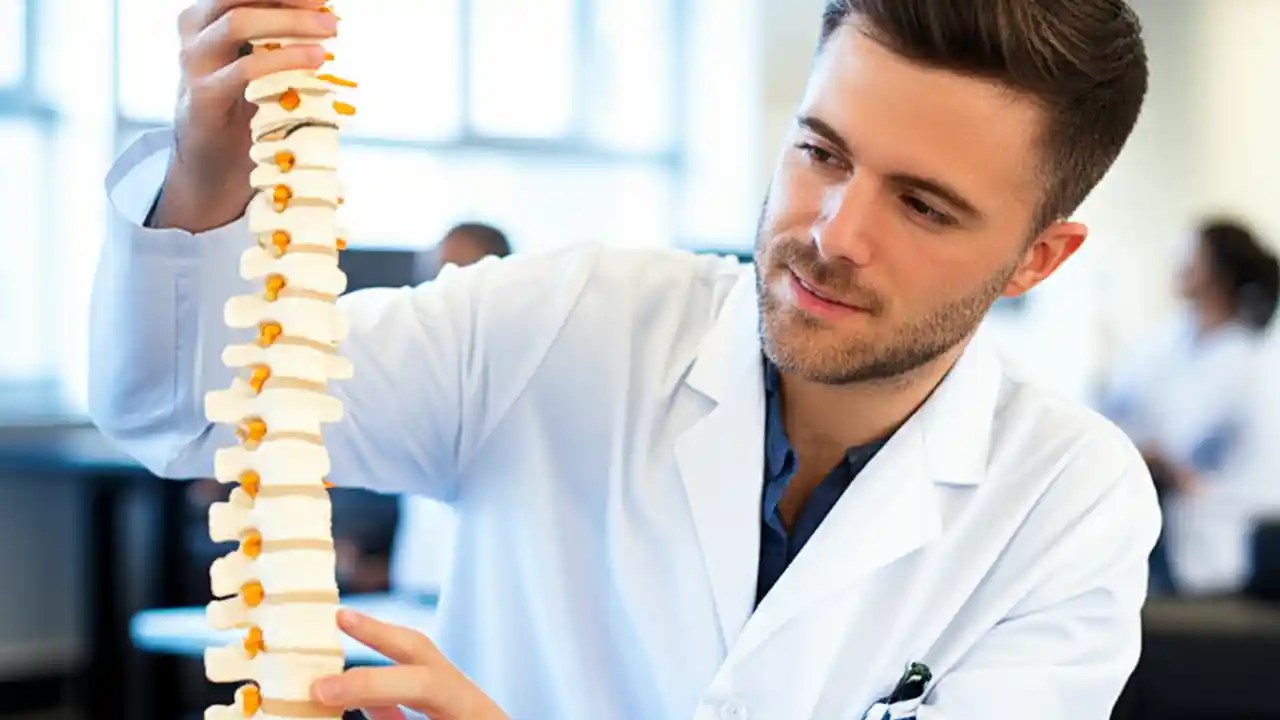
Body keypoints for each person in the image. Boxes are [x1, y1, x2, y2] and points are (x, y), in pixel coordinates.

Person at [88, 1, 1159, 718]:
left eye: (923, 206)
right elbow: (193, 406)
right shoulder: (571, 321)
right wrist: (212, 147)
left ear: (1037, 258)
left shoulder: (1065, 500)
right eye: (818, 152)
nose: (833, 232)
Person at [1102, 219, 1280, 595]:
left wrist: (1167, 460)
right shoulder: (1169, 342)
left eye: (1191, 254)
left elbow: (1197, 449)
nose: (1178, 264)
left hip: (1211, 532)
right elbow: (1123, 405)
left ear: (1218, 272)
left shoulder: (1247, 359)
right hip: (1158, 518)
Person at [394, 222, 511, 602]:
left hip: (480, 592)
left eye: (459, 271)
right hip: (415, 585)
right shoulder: (412, 360)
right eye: (437, 272)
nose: (443, 286)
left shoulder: (515, 372)